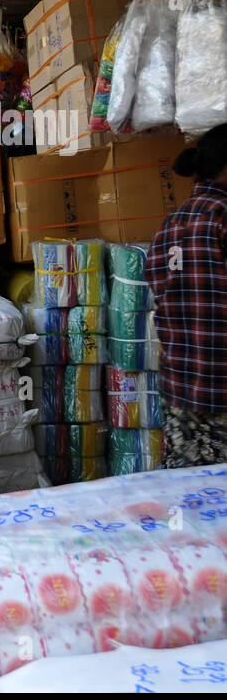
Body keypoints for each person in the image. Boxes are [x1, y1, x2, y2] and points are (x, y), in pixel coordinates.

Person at [147, 125, 227, 469]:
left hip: (181, 389)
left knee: (191, 501)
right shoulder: (222, 218)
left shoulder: (170, 223)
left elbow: (157, 291)